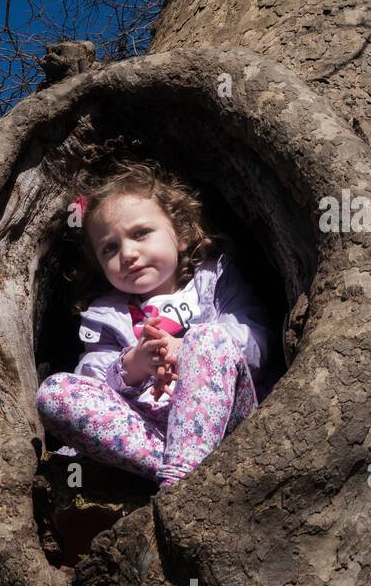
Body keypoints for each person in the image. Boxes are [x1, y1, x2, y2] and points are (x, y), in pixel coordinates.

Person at [36, 159, 274, 490]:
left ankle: (184, 469)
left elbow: (255, 341)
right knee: (54, 392)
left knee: (209, 338)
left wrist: (186, 349)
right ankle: (180, 468)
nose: (128, 254)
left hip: (224, 421)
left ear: (181, 235)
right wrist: (132, 365)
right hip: (146, 432)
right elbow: (92, 377)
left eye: (141, 234)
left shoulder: (214, 283)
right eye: (110, 248)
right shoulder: (106, 316)